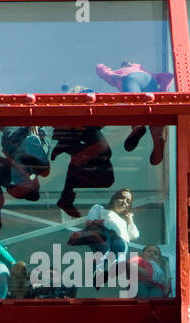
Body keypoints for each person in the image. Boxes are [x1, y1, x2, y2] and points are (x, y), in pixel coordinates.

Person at [50, 90, 115, 218]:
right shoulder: (90, 129)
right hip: (82, 134)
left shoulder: (90, 129)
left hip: (82, 139)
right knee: (95, 160)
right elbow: (104, 150)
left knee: (80, 168)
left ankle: (66, 199)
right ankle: (66, 199)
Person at [96, 60, 175, 165]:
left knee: (134, 102)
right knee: (154, 111)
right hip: (150, 82)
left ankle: (138, 127)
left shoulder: (120, 74)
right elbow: (169, 76)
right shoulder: (148, 73)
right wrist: (162, 91)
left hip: (130, 80)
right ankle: (158, 137)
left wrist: (112, 74)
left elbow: (100, 68)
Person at [85, 188, 140, 256]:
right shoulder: (99, 209)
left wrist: (130, 218)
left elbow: (134, 235)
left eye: (128, 201)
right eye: (122, 198)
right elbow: (90, 224)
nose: (124, 202)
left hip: (121, 248)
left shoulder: (124, 223)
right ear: (114, 199)